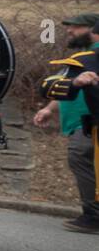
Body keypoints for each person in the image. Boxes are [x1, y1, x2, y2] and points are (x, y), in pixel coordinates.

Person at [35, 13, 99, 233]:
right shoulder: (81, 57)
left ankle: (93, 215)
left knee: (80, 158)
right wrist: (49, 108)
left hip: (89, 123)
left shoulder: (94, 56)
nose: (69, 31)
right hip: (77, 122)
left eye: (76, 27)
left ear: (93, 29)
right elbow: (63, 85)